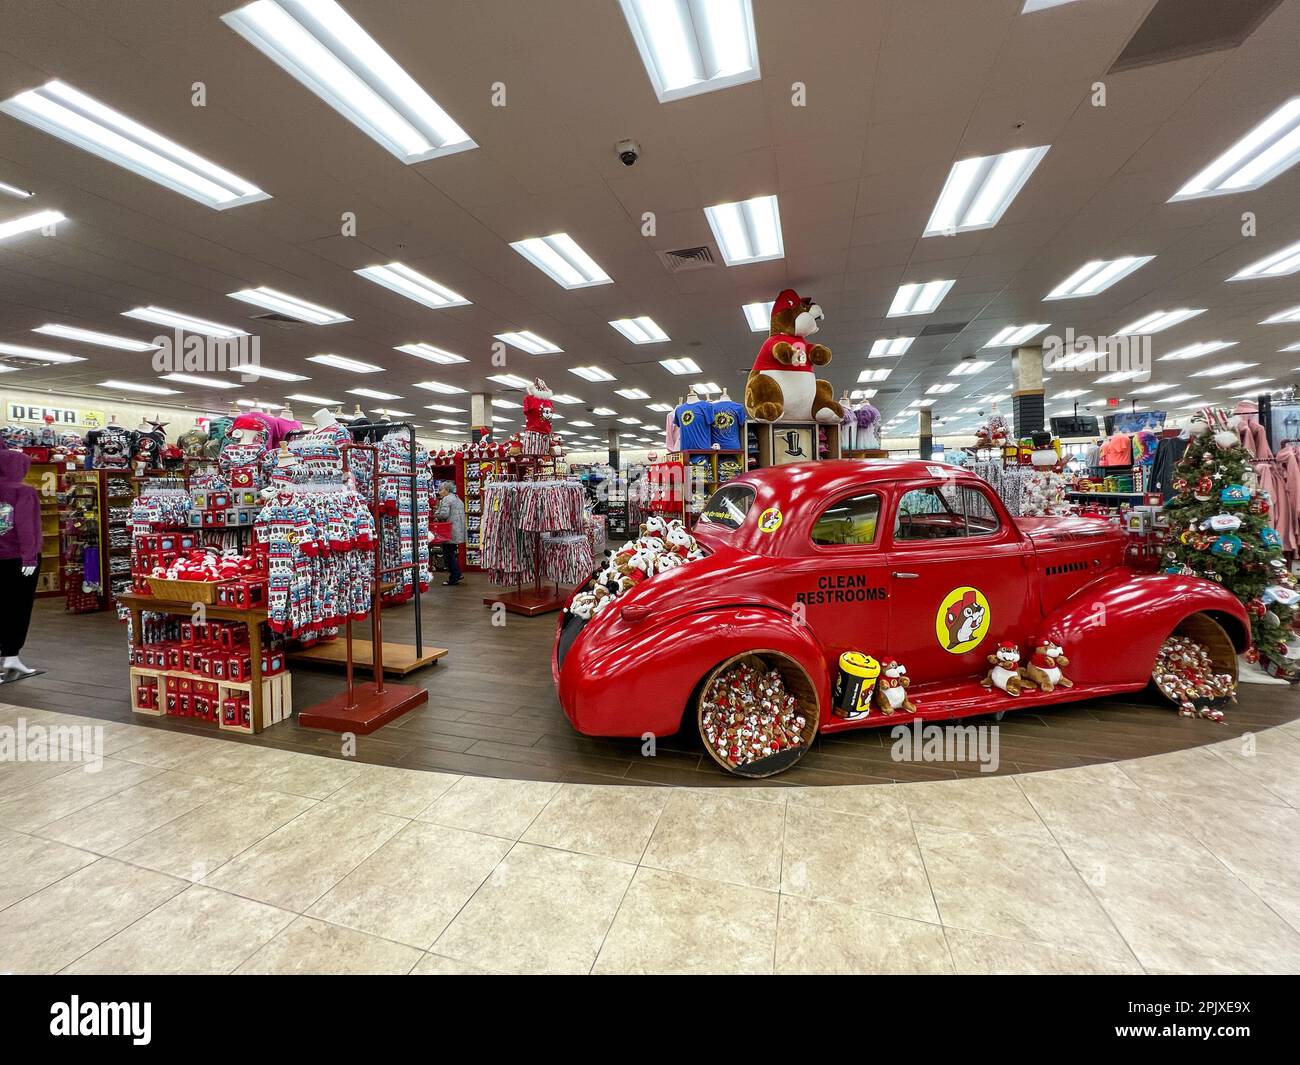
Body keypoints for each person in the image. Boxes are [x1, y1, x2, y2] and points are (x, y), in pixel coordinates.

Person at [0, 448, 42, 680]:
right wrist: (29, 557)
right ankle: (11, 654)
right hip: (18, 559)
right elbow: (26, 526)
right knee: (19, 607)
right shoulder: (23, 491)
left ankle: (9, 656)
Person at [433, 481, 466, 586]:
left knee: (448, 554)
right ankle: (458, 573)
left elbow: (444, 515)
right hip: (458, 530)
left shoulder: (446, 499)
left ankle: (454, 577)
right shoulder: (457, 498)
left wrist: (435, 513)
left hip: (449, 531)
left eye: (441, 490)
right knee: (452, 553)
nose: (439, 492)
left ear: (447, 490)